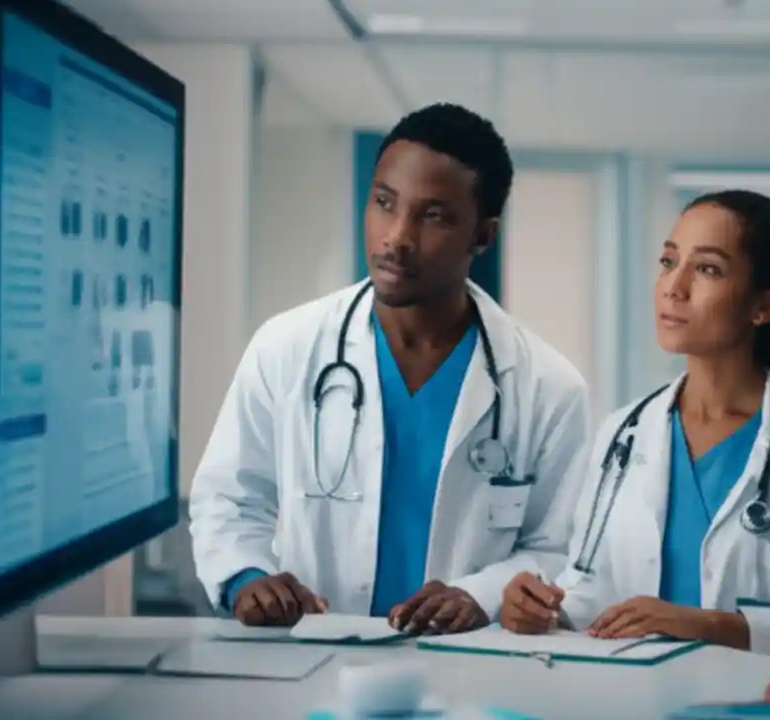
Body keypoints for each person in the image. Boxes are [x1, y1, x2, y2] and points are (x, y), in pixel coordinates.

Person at [189, 103, 592, 631]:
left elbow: (556, 547)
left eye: (433, 216)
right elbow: (230, 501)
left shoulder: (549, 388)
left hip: (471, 660)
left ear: (483, 235)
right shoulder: (286, 348)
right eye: (384, 203)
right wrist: (248, 578)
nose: (397, 236)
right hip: (312, 652)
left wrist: (479, 595)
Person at [496, 189, 770, 659]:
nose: (674, 286)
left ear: (765, 305)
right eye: (668, 262)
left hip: (758, 696)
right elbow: (592, 593)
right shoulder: (623, 432)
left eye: (707, 269)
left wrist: (711, 626)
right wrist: (542, 608)